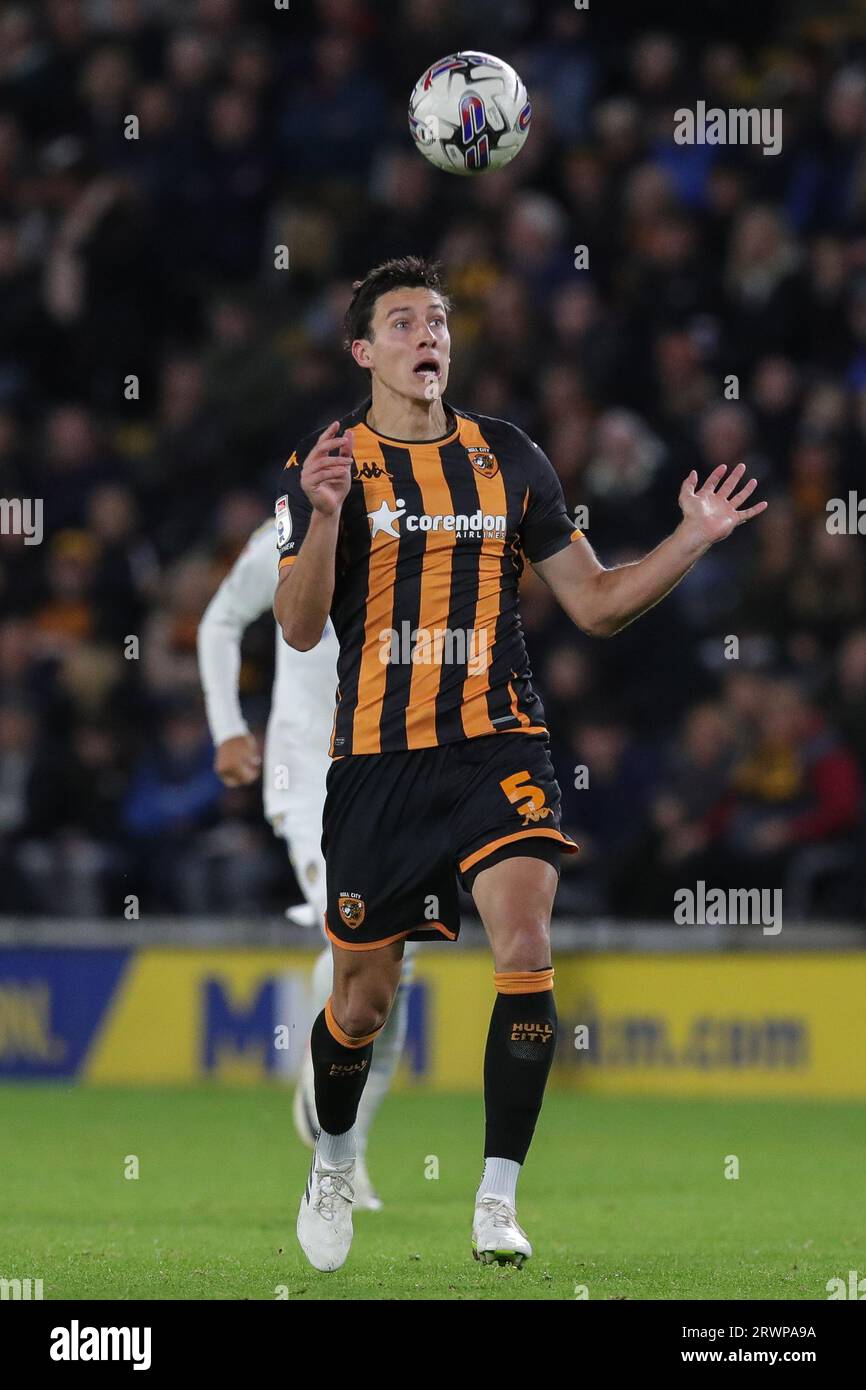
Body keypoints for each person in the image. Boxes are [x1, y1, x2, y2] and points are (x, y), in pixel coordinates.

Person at [273, 255, 766, 1273]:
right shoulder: (326, 465)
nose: (427, 336)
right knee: (360, 1001)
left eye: (439, 320)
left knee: (526, 941)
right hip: (376, 761)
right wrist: (321, 519)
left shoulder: (509, 458)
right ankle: (330, 1157)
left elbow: (593, 602)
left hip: (498, 742)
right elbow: (297, 624)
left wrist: (689, 537)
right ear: (364, 351)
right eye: (403, 322)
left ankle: (495, 1195)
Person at [197, 518, 415, 1210]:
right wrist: (229, 726)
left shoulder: (430, 525)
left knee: (395, 974)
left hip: (398, 777)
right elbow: (221, 620)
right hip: (310, 779)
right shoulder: (290, 534)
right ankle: (328, 1120)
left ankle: (348, 1148)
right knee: (353, 935)